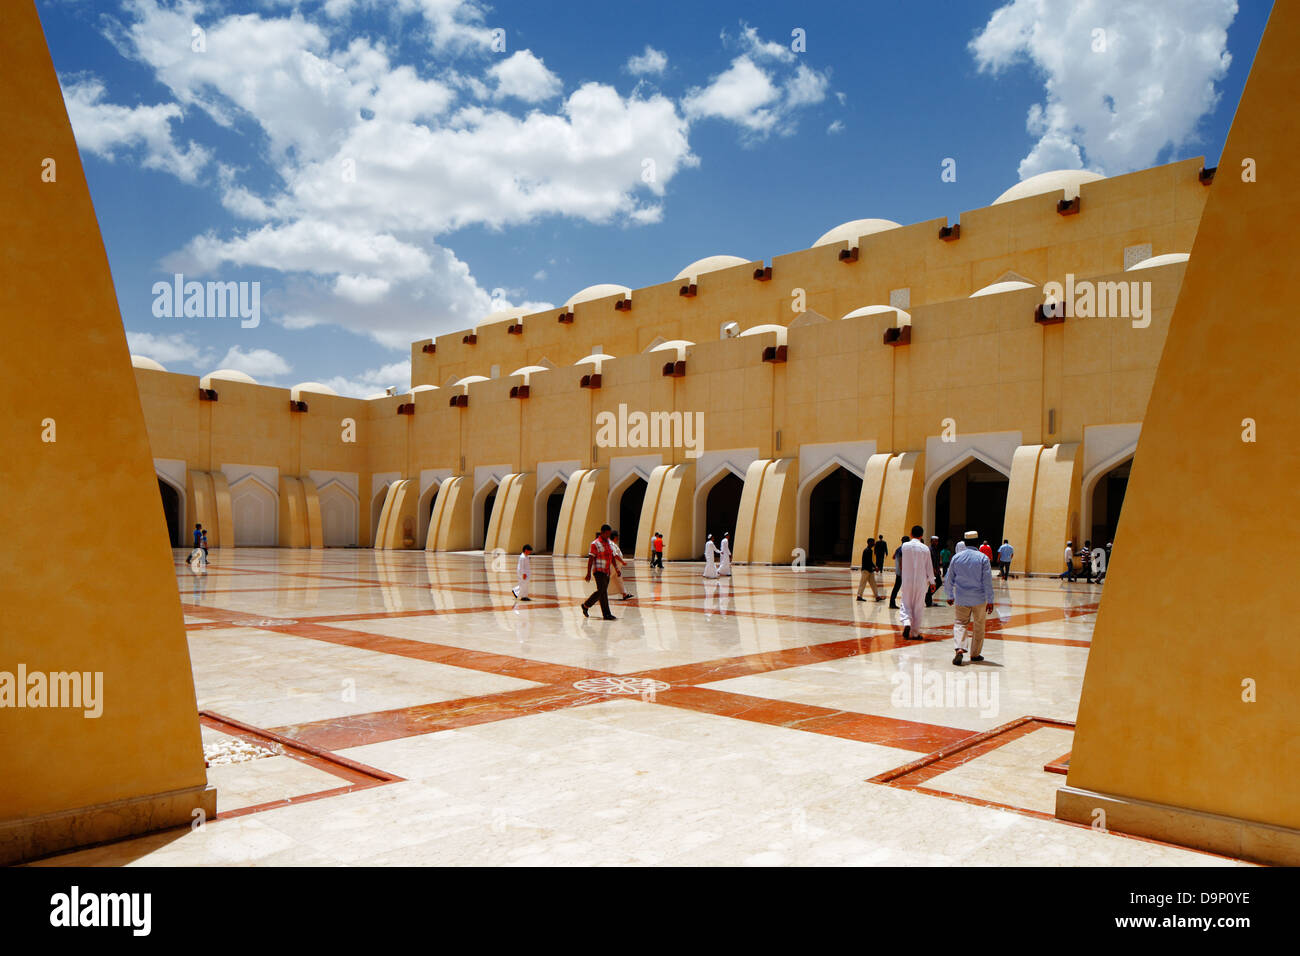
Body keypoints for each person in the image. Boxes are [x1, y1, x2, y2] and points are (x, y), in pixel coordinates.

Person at [946, 531, 995, 666]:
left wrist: (950, 595)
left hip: (961, 597)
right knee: (979, 625)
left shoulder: (957, 557)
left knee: (960, 623)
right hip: (979, 598)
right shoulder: (983, 558)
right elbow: (987, 581)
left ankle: (960, 648)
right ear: (978, 542)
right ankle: (975, 654)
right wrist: (990, 600)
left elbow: (949, 578)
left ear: (965, 542)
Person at [897, 526, 935, 641]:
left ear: (911, 533)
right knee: (918, 606)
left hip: (907, 580)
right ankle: (915, 633)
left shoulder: (905, 546)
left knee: (906, 602)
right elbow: (929, 566)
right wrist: (932, 582)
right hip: (921, 581)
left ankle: (907, 622)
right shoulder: (925, 549)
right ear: (922, 535)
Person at [581, 524, 617, 620]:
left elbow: (612, 556)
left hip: (607, 571)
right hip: (598, 571)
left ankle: (605, 614)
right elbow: (591, 558)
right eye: (607, 534)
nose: (608, 536)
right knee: (601, 590)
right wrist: (588, 573)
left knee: (603, 592)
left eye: (609, 534)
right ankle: (586, 605)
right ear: (602, 533)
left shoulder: (609, 542)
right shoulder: (595, 543)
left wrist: (616, 568)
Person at [609, 530, 633, 600]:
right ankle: (599, 594)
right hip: (613, 567)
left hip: (616, 567)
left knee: (619, 580)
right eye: (617, 537)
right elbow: (615, 555)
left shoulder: (613, 544)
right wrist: (622, 562)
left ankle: (624, 594)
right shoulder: (611, 544)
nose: (618, 538)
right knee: (606, 581)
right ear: (615, 537)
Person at [889, 535, 909, 609]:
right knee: (898, 588)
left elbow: (893, 557)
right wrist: (901, 567)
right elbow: (901, 559)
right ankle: (893, 603)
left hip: (898, 572)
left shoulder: (898, 548)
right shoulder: (903, 549)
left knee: (896, 588)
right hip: (901, 572)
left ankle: (892, 603)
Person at [926, 535, 942, 607]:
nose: (935, 542)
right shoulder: (929, 549)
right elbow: (930, 561)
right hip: (931, 570)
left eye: (936, 541)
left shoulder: (936, 549)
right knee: (935, 583)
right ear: (931, 541)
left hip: (936, 570)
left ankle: (928, 598)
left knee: (938, 583)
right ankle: (928, 598)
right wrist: (933, 569)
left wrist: (938, 569)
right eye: (934, 541)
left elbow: (937, 560)